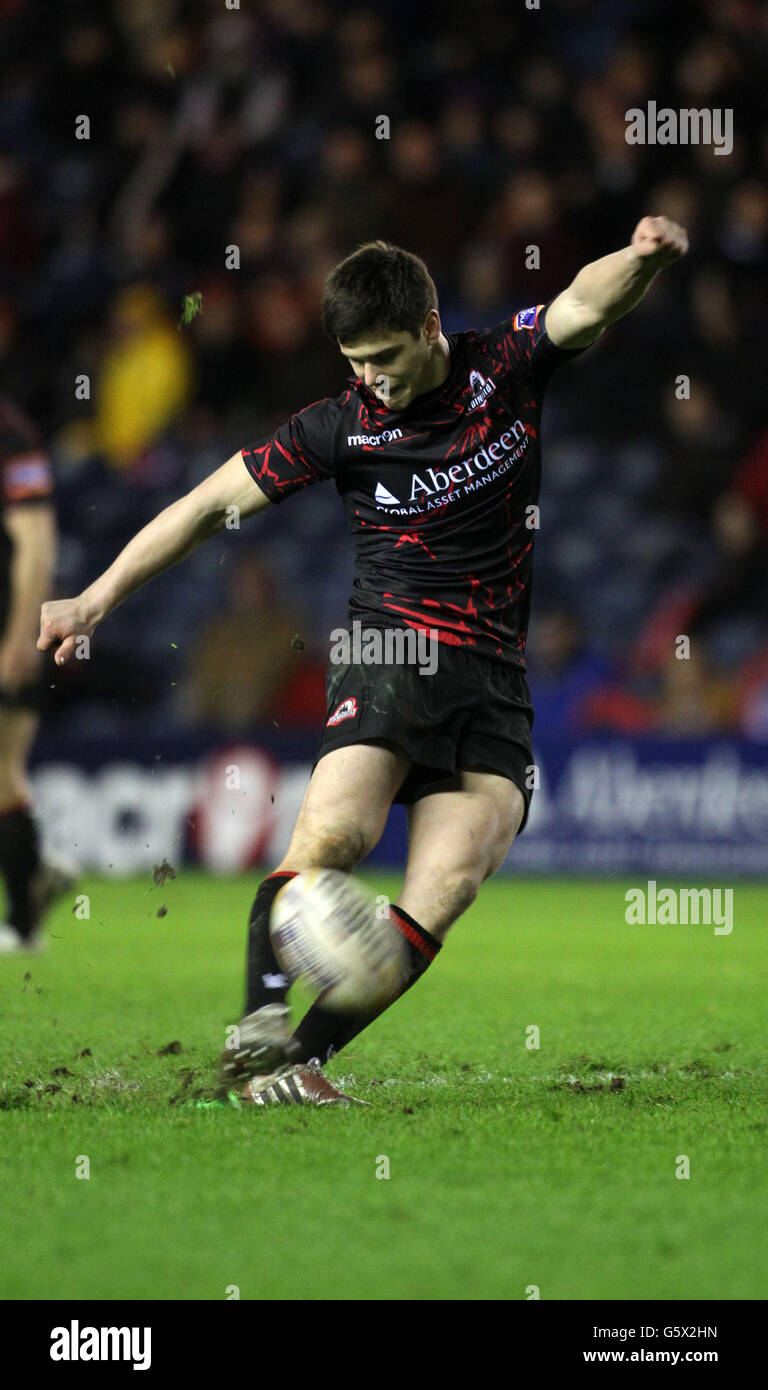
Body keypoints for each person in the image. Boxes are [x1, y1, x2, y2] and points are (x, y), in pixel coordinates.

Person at [38, 218, 688, 1103]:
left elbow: (586, 301)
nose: (369, 379)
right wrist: (94, 598)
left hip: (496, 679)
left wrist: (643, 259)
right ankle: (260, 1021)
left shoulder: (504, 364)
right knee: (333, 840)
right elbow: (202, 506)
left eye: (383, 356)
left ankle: (298, 1064)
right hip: (393, 646)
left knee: (446, 888)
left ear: (428, 327)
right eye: (353, 363)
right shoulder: (337, 427)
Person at [0, 395, 75, 952]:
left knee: (1, 771)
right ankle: (37, 873)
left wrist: (21, 634)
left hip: (6, 620)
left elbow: (35, 539)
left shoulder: (11, 431)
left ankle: (24, 924)